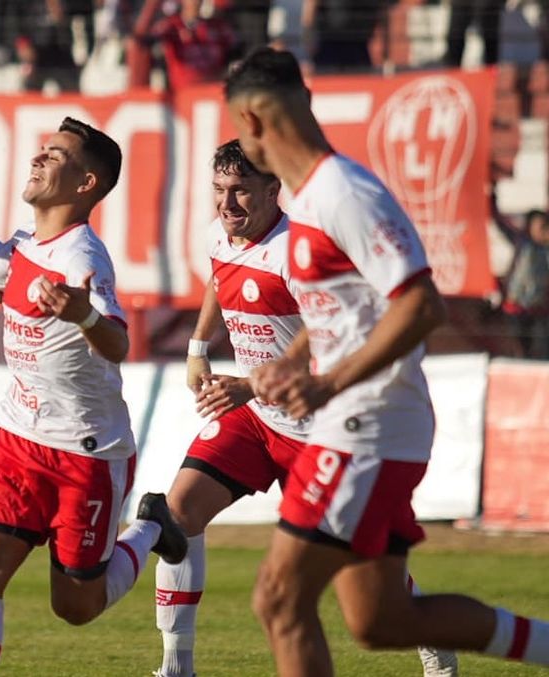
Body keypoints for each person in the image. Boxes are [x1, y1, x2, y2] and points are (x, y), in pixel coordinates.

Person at [224, 46, 549, 676]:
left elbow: (422, 305)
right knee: (382, 621)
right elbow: (343, 311)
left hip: (366, 422)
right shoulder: (314, 199)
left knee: (280, 599)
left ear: (254, 123)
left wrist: (327, 384)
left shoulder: (345, 192)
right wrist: (295, 362)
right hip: (359, 421)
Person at [153, 139, 458, 677]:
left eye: (241, 191)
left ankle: (428, 634)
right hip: (254, 420)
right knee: (179, 514)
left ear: (274, 190)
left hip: (317, 428)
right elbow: (218, 277)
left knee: (359, 569)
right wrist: (199, 347)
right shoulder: (220, 233)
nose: (227, 205)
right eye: (220, 190)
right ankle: (177, 668)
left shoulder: (298, 253)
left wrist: (249, 384)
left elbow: (327, 335)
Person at [0, 117, 187, 677]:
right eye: (42, 151)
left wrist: (81, 312)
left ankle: (153, 524)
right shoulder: (25, 244)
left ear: (86, 184)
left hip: (86, 452)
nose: (38, 160)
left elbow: (118, 341)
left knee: (75, 607)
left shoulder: (84, 258)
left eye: (55, 156)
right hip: (17, 440)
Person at [493, 206, 549, 359]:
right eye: (539, 226)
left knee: (541, 348)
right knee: (520, 348)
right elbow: (501, 223)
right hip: (516, 307)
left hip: (540, 309)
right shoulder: (522, 243)